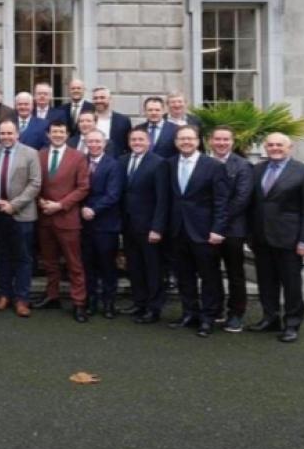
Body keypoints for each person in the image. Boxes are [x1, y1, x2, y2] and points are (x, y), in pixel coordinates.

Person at [247, 133, 304, 343]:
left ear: (290, 147)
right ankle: (270, 318)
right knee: (266, 282)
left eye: (279, 145)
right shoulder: (257, 169)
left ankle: (292, 323)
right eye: (270, 145)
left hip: (290, 239)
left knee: (291, 284)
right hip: (261, 238)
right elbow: (253, 205)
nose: (275, 148)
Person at [167, 125, 229, 338]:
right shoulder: (169, 164)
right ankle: (189, 313)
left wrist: (218, 229)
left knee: (209, 276)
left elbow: (221, 201)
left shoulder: (213, 166)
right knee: (184, 275)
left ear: (198, 141)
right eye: (182, 139)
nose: (186, 142)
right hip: (177, 230)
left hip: (204, 231)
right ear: (176, 142)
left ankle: (208, 317)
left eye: (190, 138)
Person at [33, 121, 92, 322]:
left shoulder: (78, 157)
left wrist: (60, 205)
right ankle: (52, 296)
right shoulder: (39, 155)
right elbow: (34, 183)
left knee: (74, 263)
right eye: (54, 132)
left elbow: (83, 187)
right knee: (49, 262)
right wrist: (40, 200)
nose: (57, 135)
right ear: (48, 135)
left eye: (61, 132)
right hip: (44, 217)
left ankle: (79, 302)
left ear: (67, 135)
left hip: (67, 218)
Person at [0, 119, 41, 317]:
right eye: (2, 133)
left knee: (23, 258)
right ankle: (4, 294)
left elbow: (35, 184)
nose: (6, 137)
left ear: (17, 134)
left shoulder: (31, 153)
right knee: (2, 256)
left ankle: (22, 299)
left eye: (10, 133)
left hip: (22, 214)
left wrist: (14, 205)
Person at [119, 127, 170, 324]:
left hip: (149, 226)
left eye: (141, 139)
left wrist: (157, 228)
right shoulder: (123, 161)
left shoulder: (158, 163)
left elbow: (163, 199)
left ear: (149, 142)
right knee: (135, 266)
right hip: (128, 224)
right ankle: (139, 302)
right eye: (133, 139)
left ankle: (154, 308)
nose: (137, 143)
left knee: (153, 268)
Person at [208, 126, 254, 332]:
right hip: (206, 228)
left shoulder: (243, 165)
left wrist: (219, 225)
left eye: (226, 139)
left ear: (232, 142)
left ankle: (236, 313)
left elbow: (241, 199)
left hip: (233, 229)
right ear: (210, 141)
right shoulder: (204, 162)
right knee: (210, 272)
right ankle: (215, 309)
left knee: (235, 273)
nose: (221, 143)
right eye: (217, 139)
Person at [79, 130, 124, 319]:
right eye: (90, 142)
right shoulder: (80, 162)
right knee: (88, 266)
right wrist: (82, 208)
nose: (94, 145)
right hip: (84, 224)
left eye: (98, 141)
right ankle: (91, 301)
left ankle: (108, 303)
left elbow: (113, 194)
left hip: (106, 224)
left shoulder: (114, 165)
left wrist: (93, 209)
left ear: (104, 144)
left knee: (107, 266)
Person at [90, 86, 131, 157]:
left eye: (102, 97)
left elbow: (128, 146)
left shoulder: (123, 120)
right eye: (95, 98)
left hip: (116, 161)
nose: (98, 101)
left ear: (110, 99)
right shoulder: (86, 120)